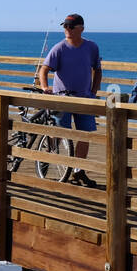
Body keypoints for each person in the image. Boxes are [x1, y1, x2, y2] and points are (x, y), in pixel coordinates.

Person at [36, 13, 101, 187]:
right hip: (62, 98)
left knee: (84, 135)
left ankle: (79, 171)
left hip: (84, 98)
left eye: (70, 26)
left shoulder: (92, 47)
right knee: (60, 134)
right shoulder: (59, 48)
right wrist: (45, 87)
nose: (67, 29)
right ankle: (48, 154)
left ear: (81, 28)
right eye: (64, 26)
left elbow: (98, 69)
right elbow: (44, 70)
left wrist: (93, 92)